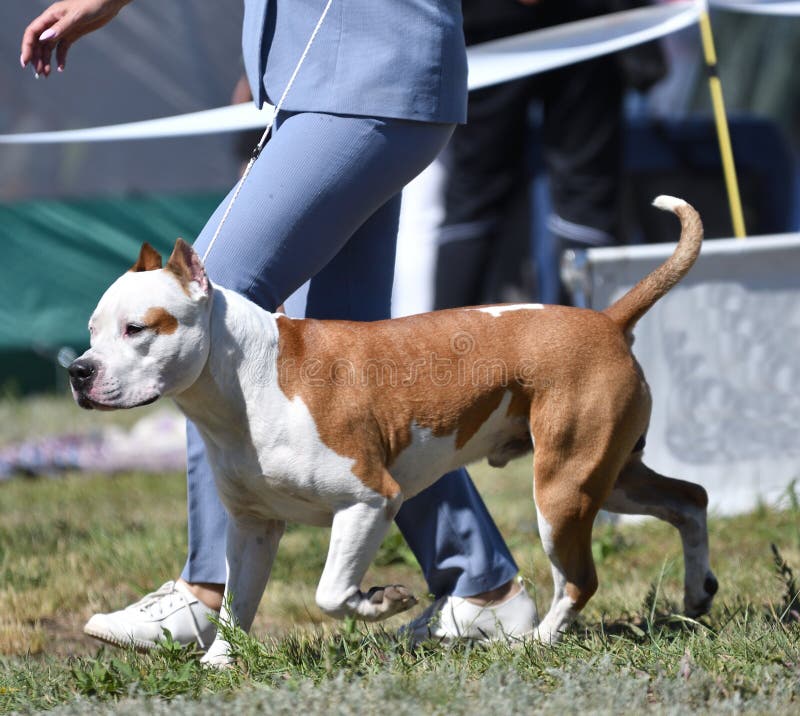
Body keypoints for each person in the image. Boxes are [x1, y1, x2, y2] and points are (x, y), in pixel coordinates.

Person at [21, 0, 537, 649]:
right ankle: (483, 589)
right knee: (357, 383)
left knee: (209, 296)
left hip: (360, 78)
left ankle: (202, 593)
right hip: (353, 80)